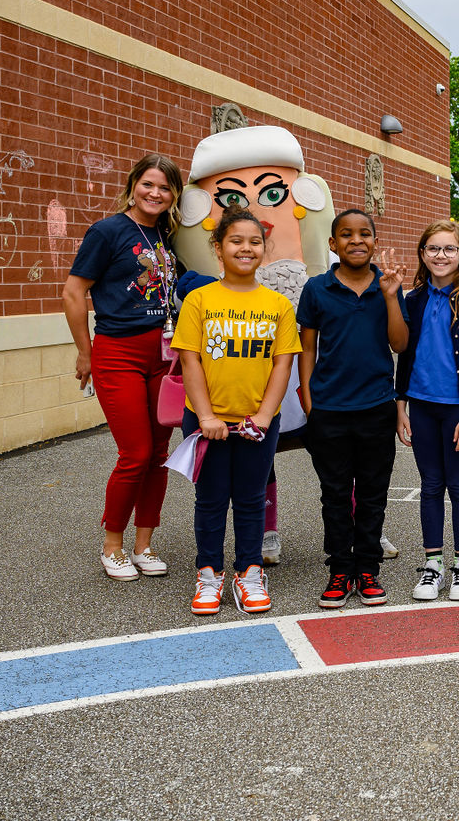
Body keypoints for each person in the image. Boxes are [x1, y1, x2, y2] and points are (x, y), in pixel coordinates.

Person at [171, 208, 300, 616]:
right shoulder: (200, 299)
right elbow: (190, 361)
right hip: (206, 420)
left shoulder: (277, 305)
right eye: (236, 241)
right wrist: (207, 417)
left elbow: (283, 364)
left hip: (256, 422)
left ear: (264, 248)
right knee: (209, 500)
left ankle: (249, 571)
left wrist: (264, 415)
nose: (246, 248)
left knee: (250, 498)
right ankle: (208, 574)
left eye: (254, 241)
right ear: (218, 247)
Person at [63, 153, 184, 582]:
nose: (155, 193)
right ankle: (112, 545)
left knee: (157, 455)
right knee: (134, 454)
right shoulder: (108, 230)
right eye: (148, 184)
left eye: (165, 188)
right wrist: (85, 352)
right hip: (119, 354)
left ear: (174, 196)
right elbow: (74, 292)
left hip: (164, 356)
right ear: (134, 184)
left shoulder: (167, 235)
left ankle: (144, 544)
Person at [296, 210, 409, 609]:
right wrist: (309, 400)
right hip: (329, 409)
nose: (356, 240)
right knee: (336, 495)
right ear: (333, 244)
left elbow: (399, 344)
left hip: (376, 407)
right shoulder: (317, 289)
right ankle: (339, 569)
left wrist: (392, 297)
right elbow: (307, 348)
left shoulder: (388, 287)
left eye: (365, 234)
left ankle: (368, 569)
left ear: (375, 242)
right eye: (346, 235)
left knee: (374, 495)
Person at [396, 220, 459, 603]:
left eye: (449, 249)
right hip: (421, 406)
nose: (441, 255)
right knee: (431, 486)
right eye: (433, 248)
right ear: (422, 254)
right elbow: (404, 355)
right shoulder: (412, 300)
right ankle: (433, 564)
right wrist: (401, 406)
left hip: (457, 410)